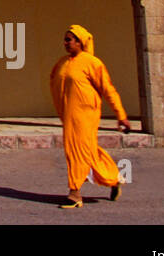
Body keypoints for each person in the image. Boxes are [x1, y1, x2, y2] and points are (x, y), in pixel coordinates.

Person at [49, 23, 130, 208]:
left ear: (80, 42)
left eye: (69, 40)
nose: (66, 43)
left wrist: (121, 115)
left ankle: (75, 192)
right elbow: (54, 83)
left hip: (86, 116)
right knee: (89, 152)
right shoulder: (62, 62)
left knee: (75, 152)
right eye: (65, 40)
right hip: (69, 116)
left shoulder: (93, 63)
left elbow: (108, 90)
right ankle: (114, 179)